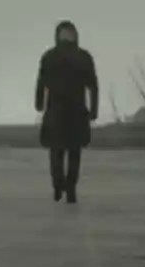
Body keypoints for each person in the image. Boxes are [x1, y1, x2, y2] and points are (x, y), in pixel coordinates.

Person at [34, 20, 99, 204]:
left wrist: (39, 103)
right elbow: (42, 82)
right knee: (65, 152)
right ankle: (63, 186)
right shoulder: (77, 57)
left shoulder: (55, 56)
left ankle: (65, 186)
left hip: (65, 111)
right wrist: (39, 102)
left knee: (64, 152)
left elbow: (93, 85)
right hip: (67, 111)